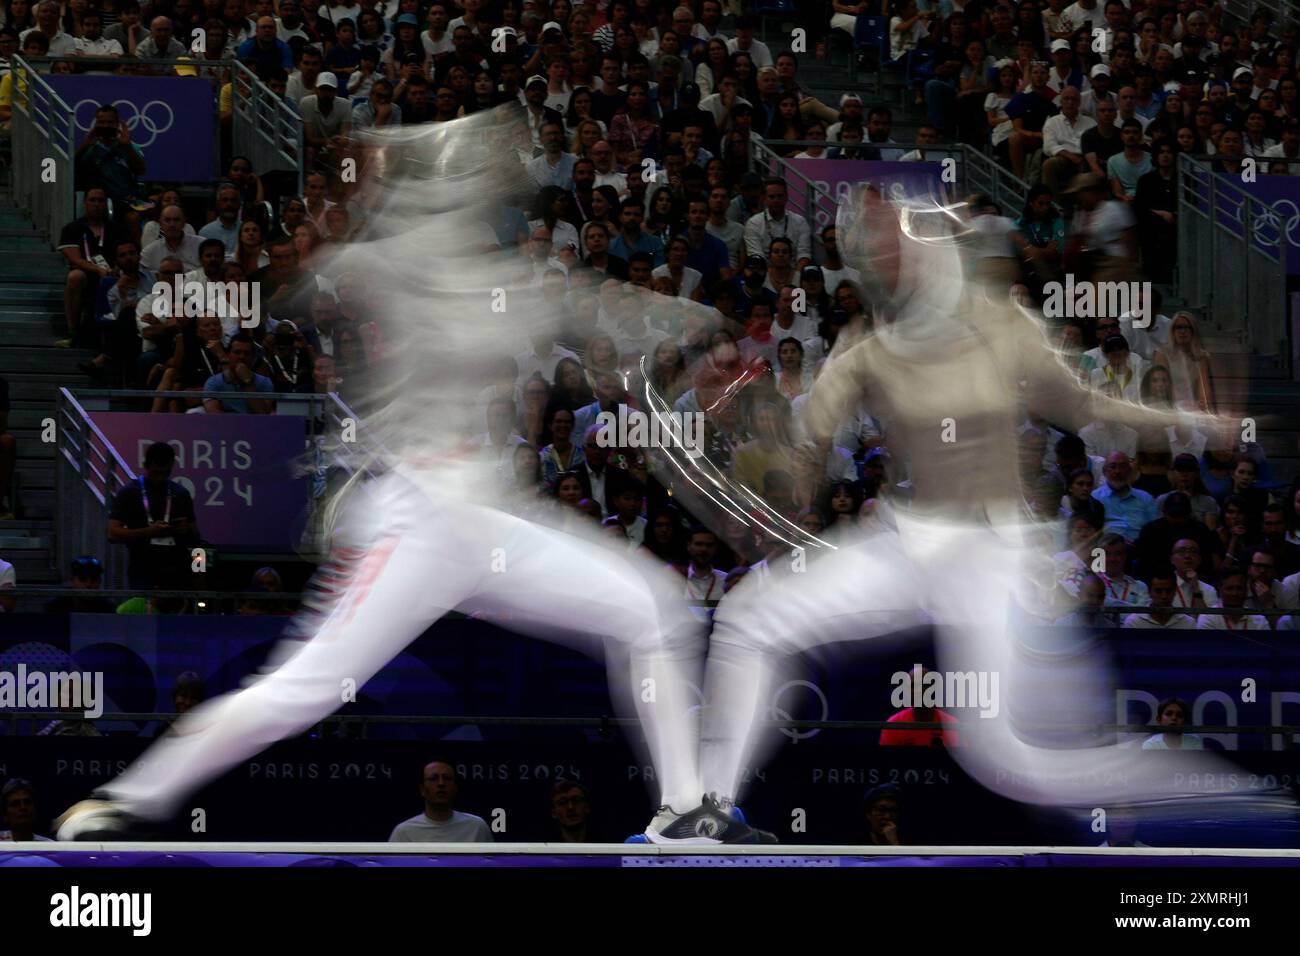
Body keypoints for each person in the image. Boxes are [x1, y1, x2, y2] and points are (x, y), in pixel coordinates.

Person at [107, 441, 201, 591]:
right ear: (146, 466)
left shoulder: (180, 494)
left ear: (171, 467)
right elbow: (112, 534)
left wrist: (199, 574)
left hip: (176, 570)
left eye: (165, 473)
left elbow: (197, 541)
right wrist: (150, 532)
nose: (160, 478)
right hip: (143, 570)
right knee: (143, 610)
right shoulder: (130, 492)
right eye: (156, 473)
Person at [388, 761, 493, 842]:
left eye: (447, 778)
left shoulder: (477, 827)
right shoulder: (403, 832)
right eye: (433, 778)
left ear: (455, 788)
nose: (441, 783)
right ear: (422, 789)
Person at [1121, 566, 1195, 628]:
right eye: (1158, 591)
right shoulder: (1133, 623)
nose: (1164, 596)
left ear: (1174, 591)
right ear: (1149, 592)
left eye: (1168, 591)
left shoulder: (1188, 624)